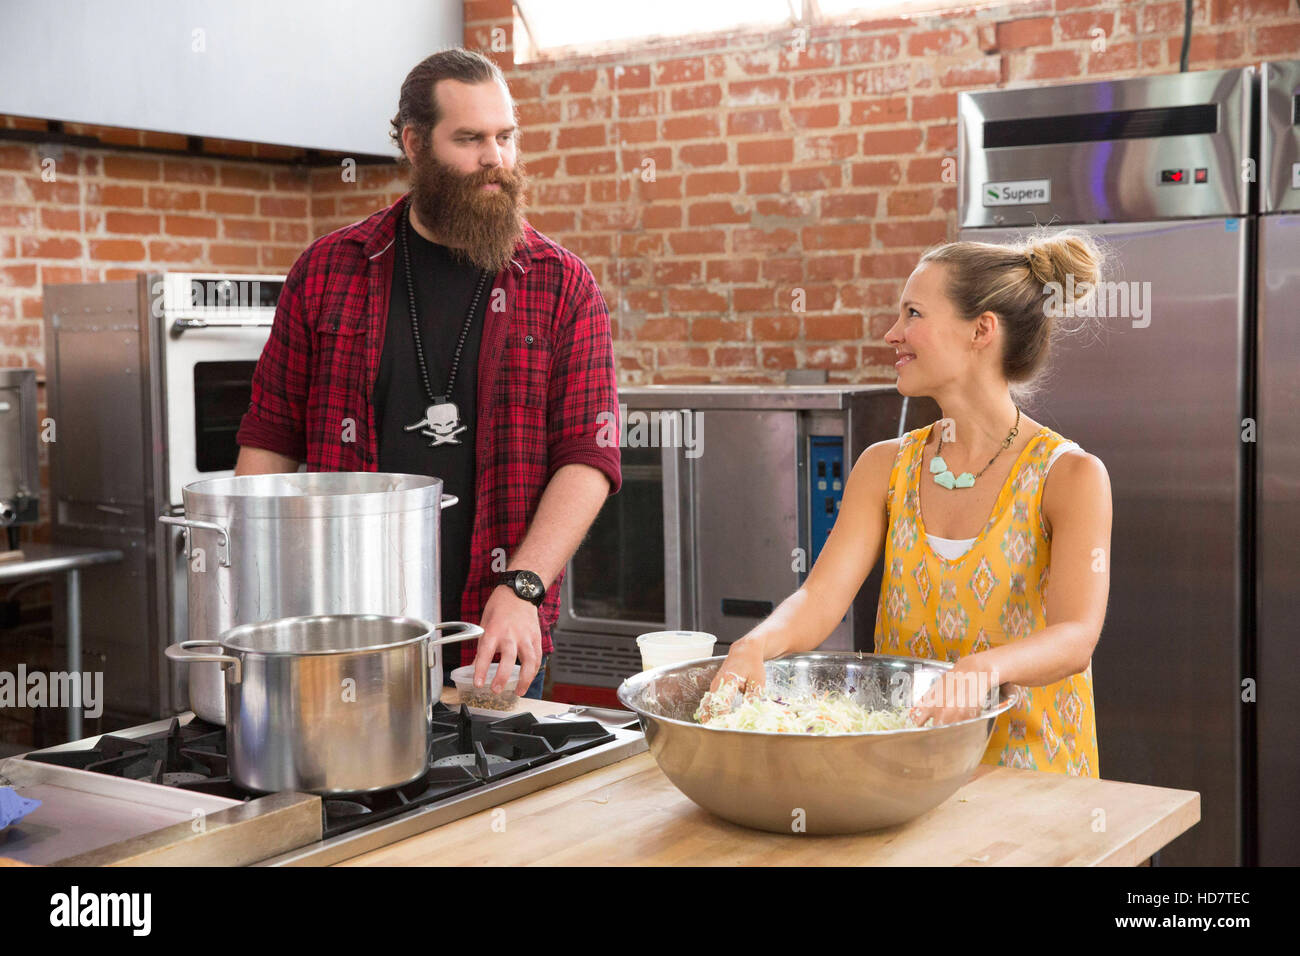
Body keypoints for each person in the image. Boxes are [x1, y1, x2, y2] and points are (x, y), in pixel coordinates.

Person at [233, 48, 621, 700]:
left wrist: (523, 586)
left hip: (496, 635)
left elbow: (588, 457)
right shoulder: (329, 270)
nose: (495, 157)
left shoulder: (562, 285)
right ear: (415, 144)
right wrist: (248, 598)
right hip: (344, 628)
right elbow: (269, 442)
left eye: (506, 136)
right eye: (469, 139)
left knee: (498, 801)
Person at [711, 232, 1112, 776]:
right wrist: (756, 644)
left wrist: (980, 669)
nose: (892, 333)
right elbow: (819, 598)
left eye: (913, 313)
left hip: (1031, 777)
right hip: (909, 772)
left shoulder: (1070, 476)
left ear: (981, 330)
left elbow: (1075, 637)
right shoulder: (885, 467)